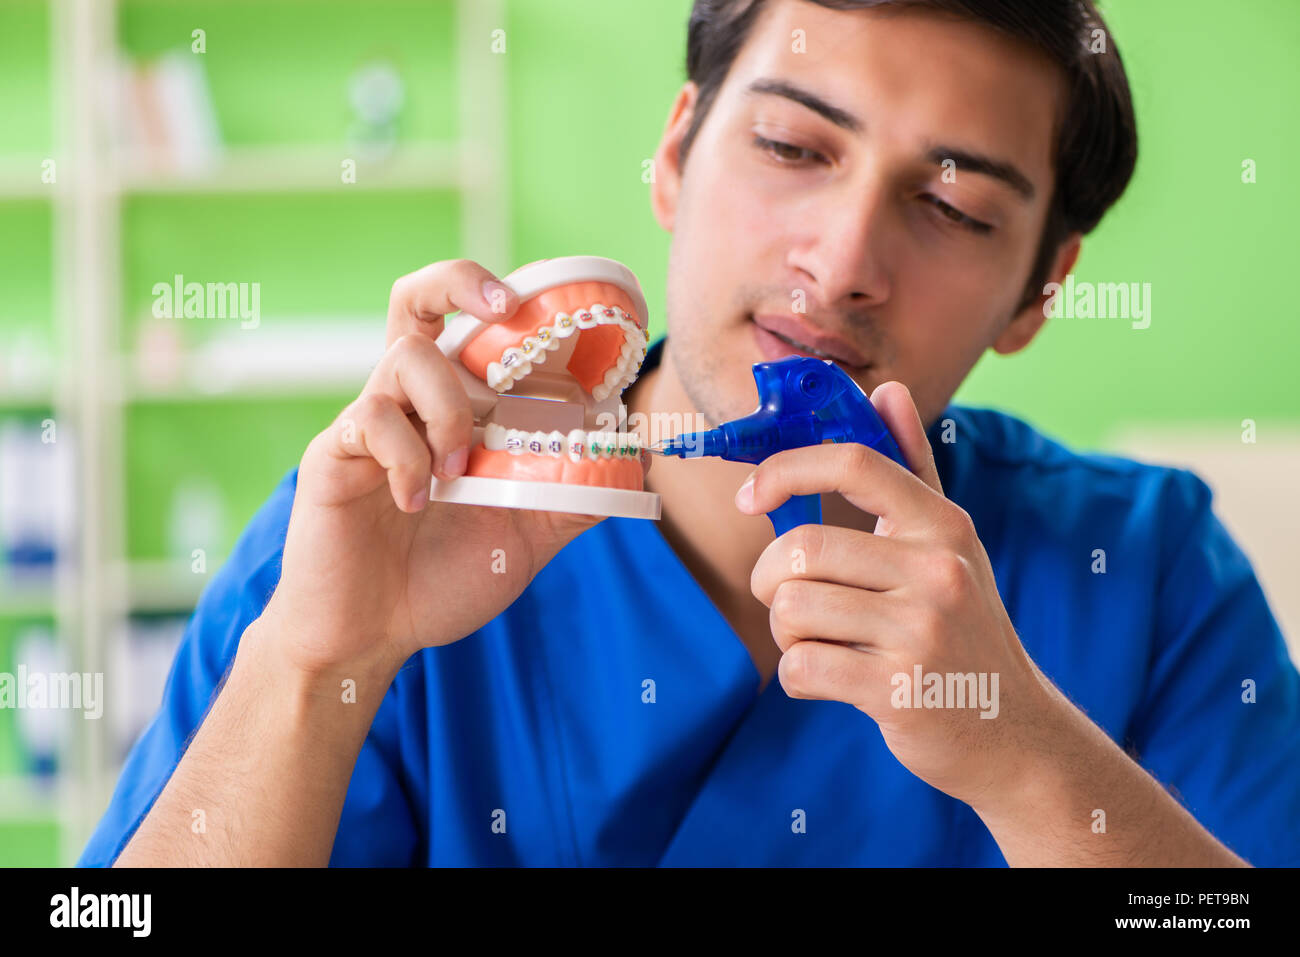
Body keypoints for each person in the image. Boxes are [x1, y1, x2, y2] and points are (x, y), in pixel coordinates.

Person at [81, 0, 1299, 866]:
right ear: (673, 153)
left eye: (951, 205)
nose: (840, 264)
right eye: (789, 146)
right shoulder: (378, 521)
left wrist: (1029, 759)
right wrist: (313, 670)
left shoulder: (1147, 573)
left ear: (1040, 291)